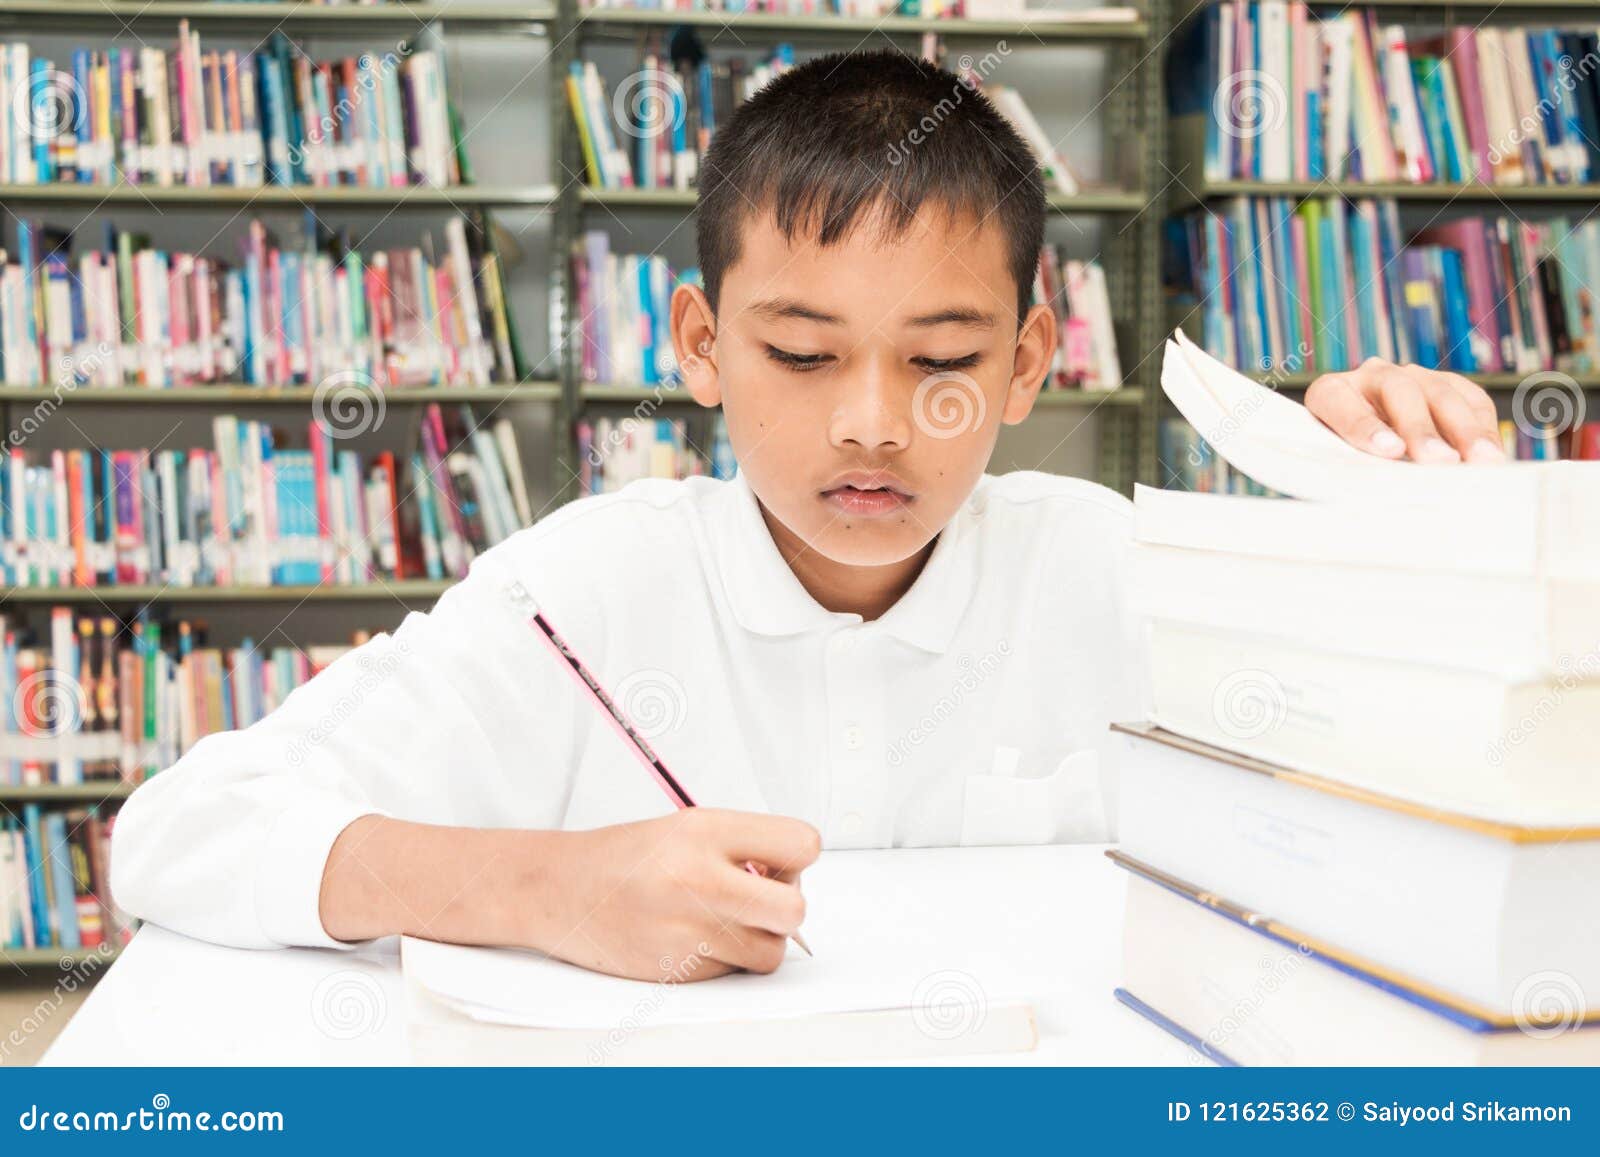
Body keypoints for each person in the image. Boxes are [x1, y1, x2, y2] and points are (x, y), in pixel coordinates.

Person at [111, 51, 1504, 982]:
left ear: (1028, 363)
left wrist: (1397, 541)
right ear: (702, 346)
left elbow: (1465, 807)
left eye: (945, 359)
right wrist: (554, 889)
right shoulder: (580, 589)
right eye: (802, 352)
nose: (873, 422)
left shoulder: (1116, 569)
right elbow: (179, 832)